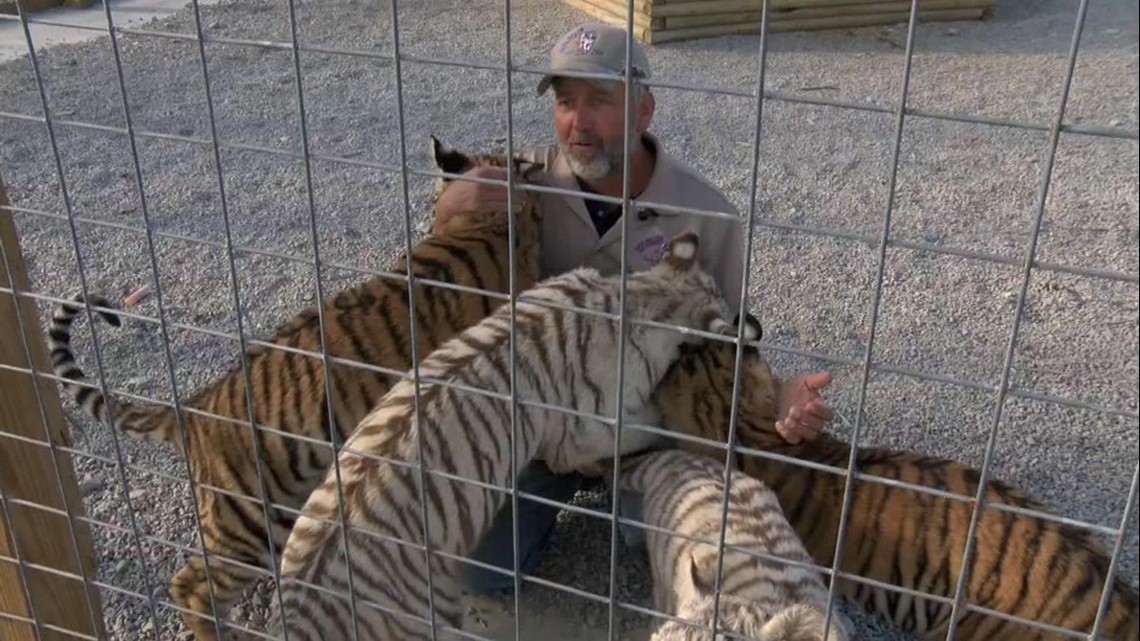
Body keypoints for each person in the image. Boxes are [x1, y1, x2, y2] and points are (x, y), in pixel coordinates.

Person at [429, 22, 835, 595]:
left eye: (600, 101)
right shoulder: (517, 185)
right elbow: (448, 285)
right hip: (540, 427)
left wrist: (777, 395)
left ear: (645, 110)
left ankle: (637, 503)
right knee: (475, 569)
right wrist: (447, 207)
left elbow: (726, 345)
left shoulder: (705, 214)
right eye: (566, 102)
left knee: (698, 562)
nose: (579, 122)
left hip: (648, 430)